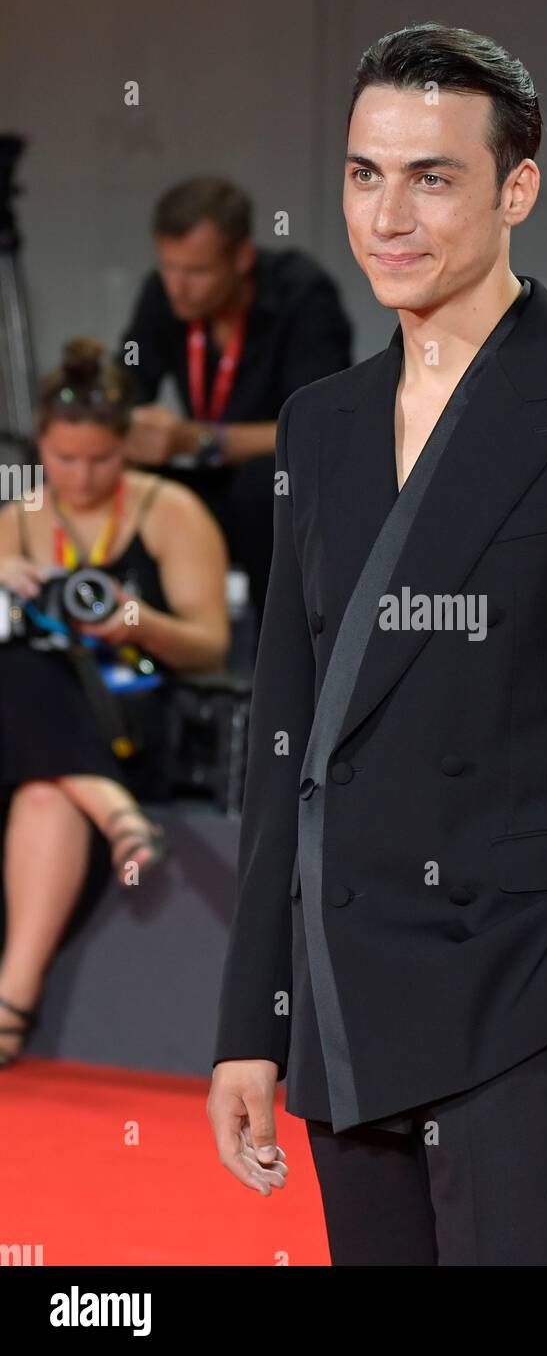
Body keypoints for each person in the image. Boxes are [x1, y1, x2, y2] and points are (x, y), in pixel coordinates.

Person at [208, 22, 547, 1266]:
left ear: (517, 189)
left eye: (431, 176)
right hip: (346, 1002)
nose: (386, 216)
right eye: (362, 174)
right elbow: (284, 745)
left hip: (527, 998)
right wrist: (254, 1019)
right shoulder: (320, 425)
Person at [0, 337, 229, 1067]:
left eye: (100, 459)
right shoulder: (15, 516)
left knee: (33, 684)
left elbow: (211, 647)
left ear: (126, 443)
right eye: (65, 459)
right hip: (34, 733)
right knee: (30, 706)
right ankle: (107, 814)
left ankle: (9, 1005)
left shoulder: (172, 509)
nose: (81, 475)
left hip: (130, 714)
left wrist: (135, 620)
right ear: (42, 445)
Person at [117, 176, 353, 627]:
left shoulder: (301, 294)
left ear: (242, 258)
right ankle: (156, 641)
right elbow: (125, 387)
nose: (178, 287)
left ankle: (281, 654)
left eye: (197, 271)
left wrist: (197, 439)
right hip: (209, 476)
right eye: (168, 266)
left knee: (263, 485)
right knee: (135, 485)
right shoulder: (162, 294)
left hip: (292, 482)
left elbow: (317, 426)